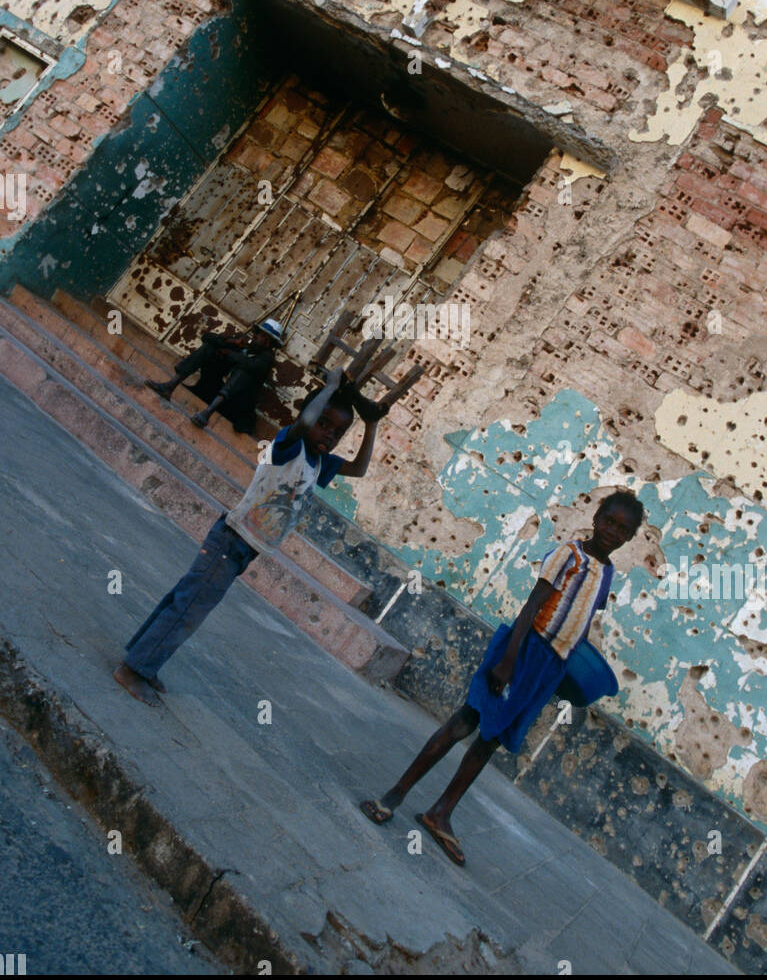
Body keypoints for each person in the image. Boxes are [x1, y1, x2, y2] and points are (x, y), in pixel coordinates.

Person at [360, 490, 645, 867]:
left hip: (549, 668)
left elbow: (579, 619)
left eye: (622, 529)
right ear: (596, 517)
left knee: (490, 741)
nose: (612, 531)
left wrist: (558, 675)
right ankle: (394, 795)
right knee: (464, 722)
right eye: (609, 521)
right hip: (524, 650)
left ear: (629, 538)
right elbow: (533, 604)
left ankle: (440, 813)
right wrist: (509, 659)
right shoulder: (568, 555)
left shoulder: (606, 574)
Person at [114, 367, 389, 706]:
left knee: (185, 600)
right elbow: (303, 425)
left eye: (338, 432)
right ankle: (133, 669)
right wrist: (331, 386)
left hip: (246, 549)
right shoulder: (289, 444)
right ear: (309, 416)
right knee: (189, 608)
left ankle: (144, 658)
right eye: (324, 423)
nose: (329, 434)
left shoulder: (319, 463)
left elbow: (359, 469)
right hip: (231, 540)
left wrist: (372, 424)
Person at [145, 325, 278, 435]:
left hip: (233, 407)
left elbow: (250, 365)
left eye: (260, 336)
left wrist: (230, 353)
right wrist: (231, 342)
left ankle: (206, 414)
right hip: (213, 391)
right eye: (257, 334)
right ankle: (170, 386)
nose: (254, 337)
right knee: (210, 347)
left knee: (244, 372)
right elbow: (207, 337)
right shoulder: (244, 345)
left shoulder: (267, 359)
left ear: (267, 342)